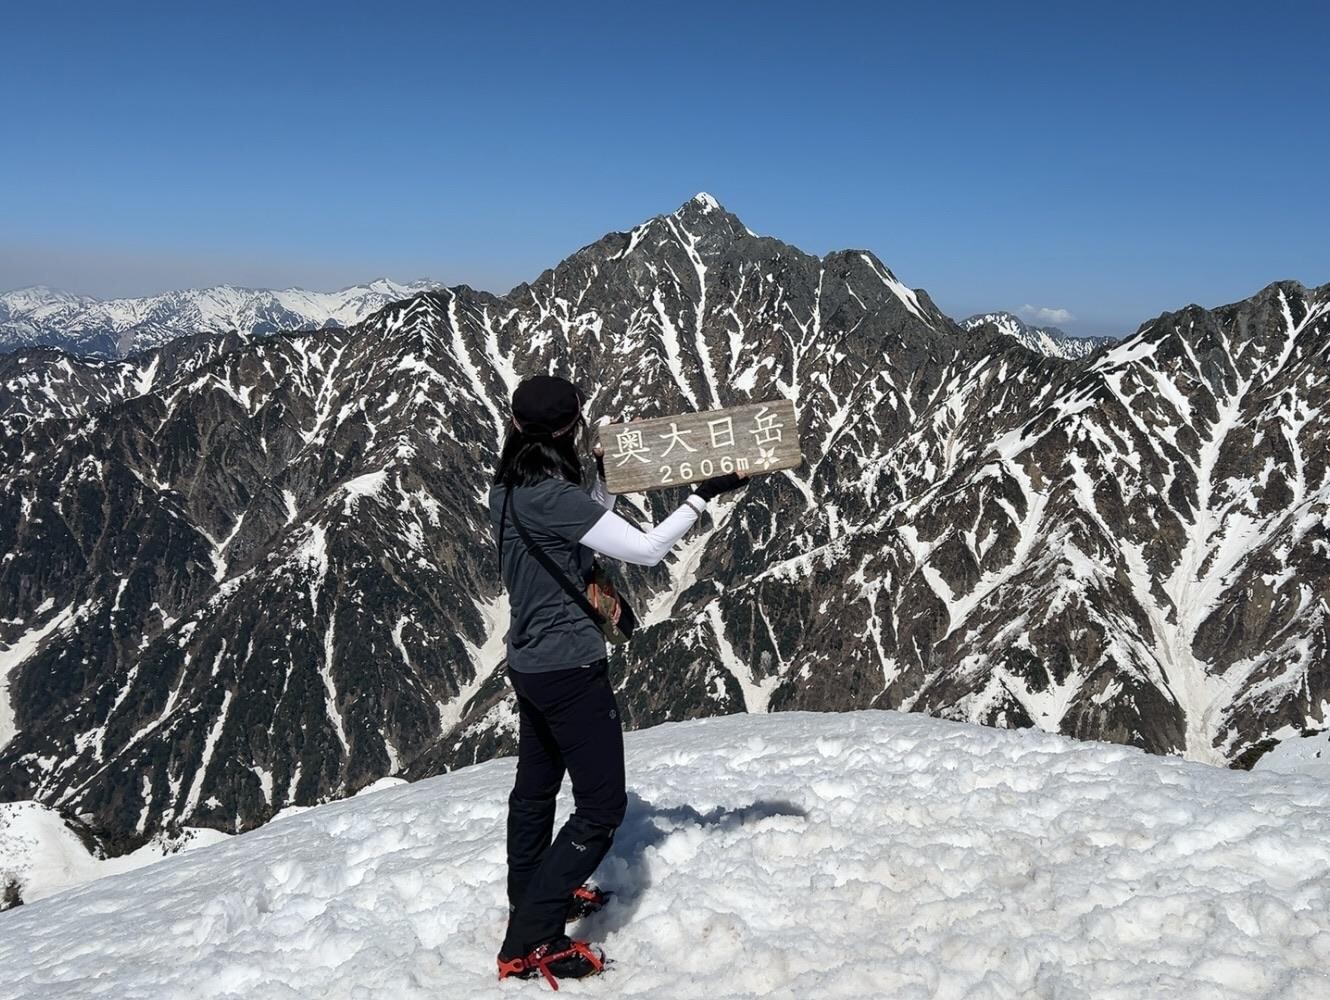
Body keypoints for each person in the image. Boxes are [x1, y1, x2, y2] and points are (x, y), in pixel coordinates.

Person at [489, 374, 748, 987]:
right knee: (602, 809)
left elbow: (581, 524)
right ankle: (531, 939)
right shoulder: (554, 496)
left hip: (529, 663)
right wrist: (702, 495)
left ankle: (532, 896)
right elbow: (647, 549)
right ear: (571, 428)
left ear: (517, 426)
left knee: (535, 791)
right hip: (571, 670)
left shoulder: (509, 488)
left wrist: (603, 481)